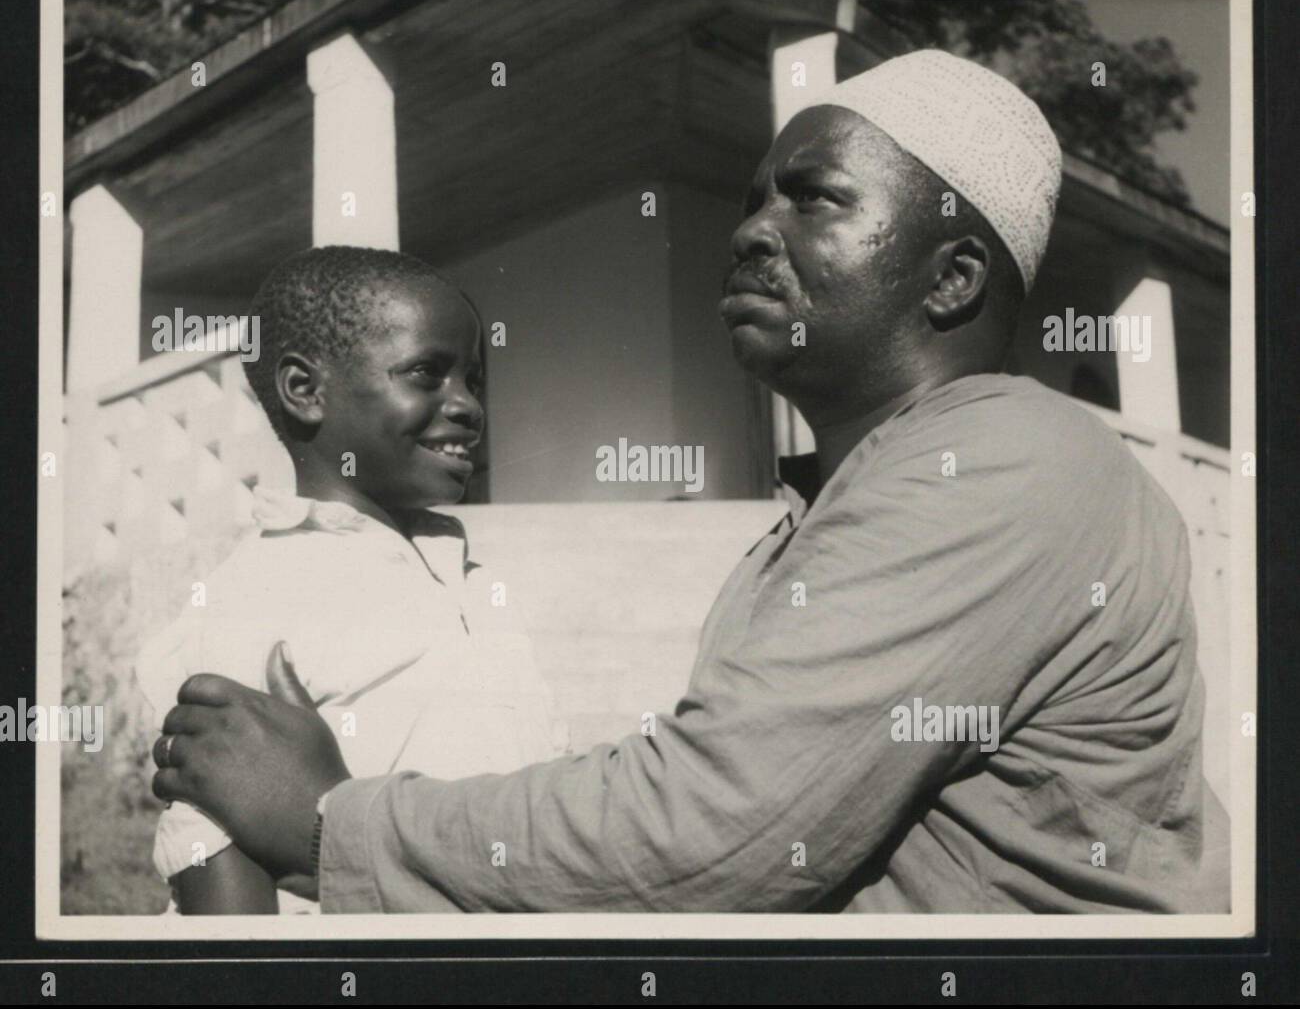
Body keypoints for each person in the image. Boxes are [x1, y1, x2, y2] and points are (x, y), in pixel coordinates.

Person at [153, 50, 1225, 914]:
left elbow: (716, 835)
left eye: (815, 201)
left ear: (950, 279)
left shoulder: (1006, 462)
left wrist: (331, 822)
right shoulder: (817, 523)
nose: (753, 228)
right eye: (757, 199)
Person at [139, 246, 567, 914]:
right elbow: (212, 861)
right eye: (427, 374)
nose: (468, 407)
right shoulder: (258, 595)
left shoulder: (473, 582)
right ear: (306, 391)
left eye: (474, 380)